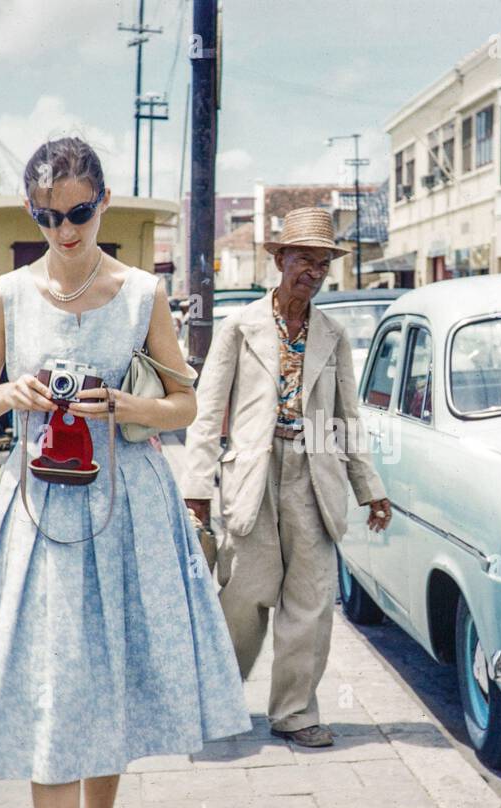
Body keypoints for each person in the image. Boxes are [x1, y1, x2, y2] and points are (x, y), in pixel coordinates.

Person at [0, 137, 252, 808]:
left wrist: (126, 405)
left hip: (125, 510)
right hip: (39, 514)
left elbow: (185, 404)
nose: (65, 230)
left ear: (103, 203)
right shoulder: (8, 295)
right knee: (53, 683)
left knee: (107, 677)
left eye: (79, 212)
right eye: (48, 215)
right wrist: (9, 395)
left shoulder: (143, 294)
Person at [181, 207, 392, 749]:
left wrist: (370, 489)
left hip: (314, 474)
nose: (313, 273)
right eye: (304, 260)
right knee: (244, 596)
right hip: (253, 472)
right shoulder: (240, 326)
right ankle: (220, 703)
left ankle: (295, 713)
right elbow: (208, 412)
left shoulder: (333, 334)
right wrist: (196, 490)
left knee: (311, 602)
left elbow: (348, 418)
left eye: (322, 264)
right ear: (279, 260)